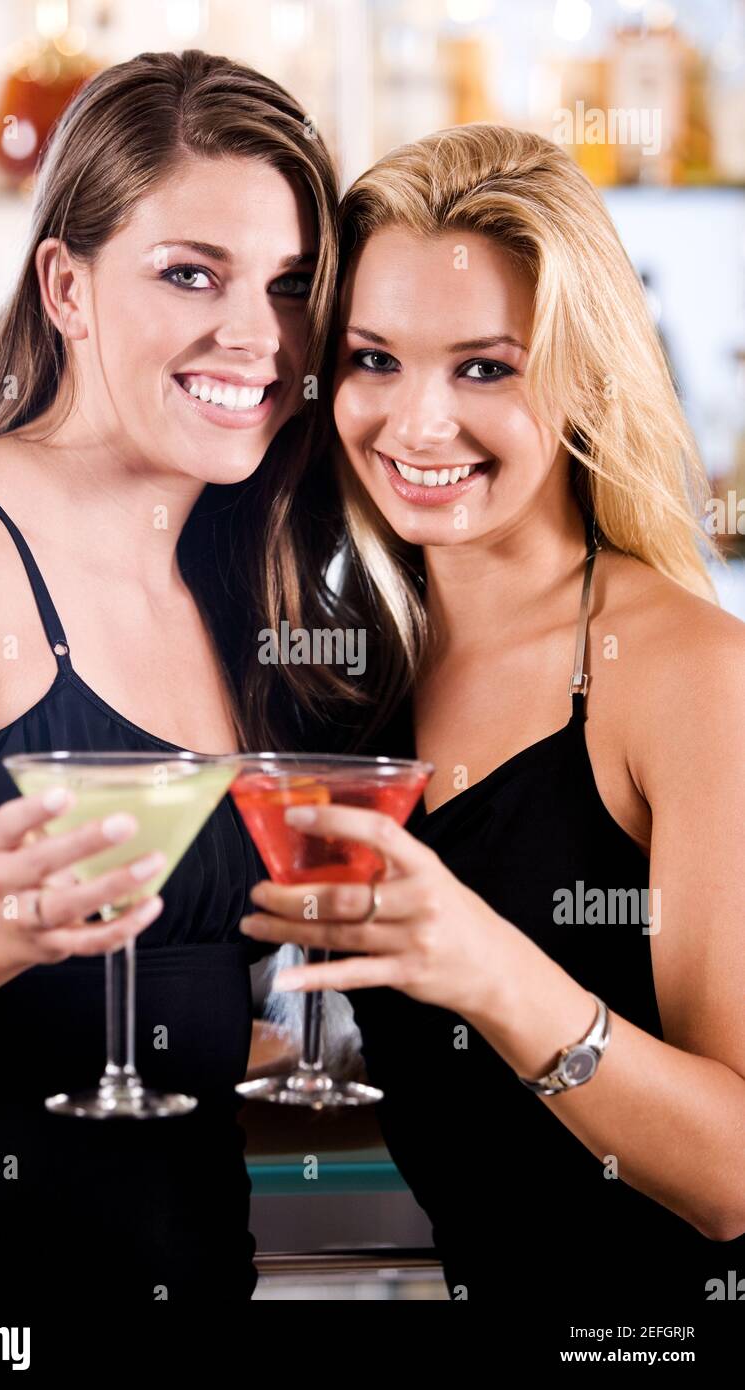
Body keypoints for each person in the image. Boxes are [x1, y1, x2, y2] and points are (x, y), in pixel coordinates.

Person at [239, 124, 745, 1319]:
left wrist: (482, 965)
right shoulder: (360, 674)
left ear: (580, 378)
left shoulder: (687, 673)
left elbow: (730, 1177)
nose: (416, 425)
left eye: (483, 367)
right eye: (373, 358)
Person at [0, 48, 339, 1314]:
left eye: (290, 285)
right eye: (190, 273)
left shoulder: (243, 580)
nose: (254, 336)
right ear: (66, 286)